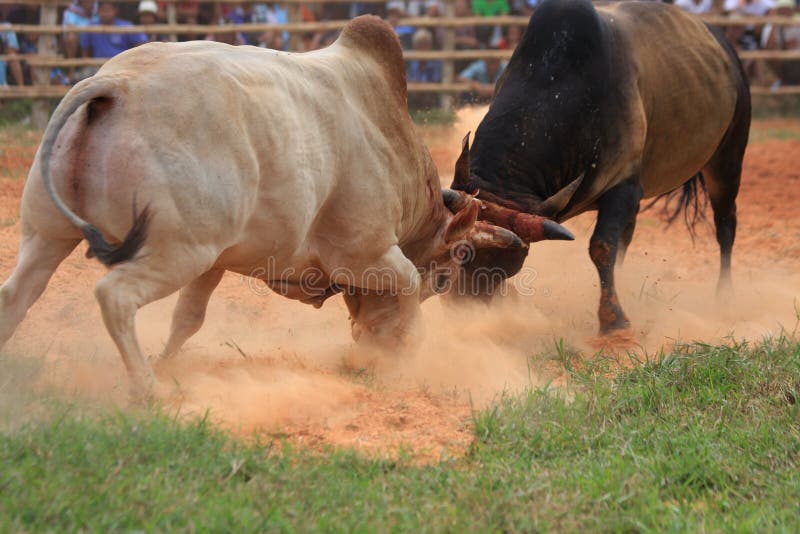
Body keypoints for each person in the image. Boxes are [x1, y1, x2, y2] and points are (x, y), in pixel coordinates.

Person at [80, 1, 148, 58]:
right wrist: (87, 63)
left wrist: (131, 59)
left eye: (108, 11)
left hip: (121, 65)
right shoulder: (91, 26)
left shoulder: (125, 26)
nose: (105, 14)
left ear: (115, 11)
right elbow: (84, 48)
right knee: (85, 71)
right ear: (98, 11)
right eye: (103, 10)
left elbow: (142, 41)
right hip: (97, 67)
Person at [406, 28, 442, 109]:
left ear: (430, 46)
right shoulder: (411, 61)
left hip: (430, 92)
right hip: (414, 92)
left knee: (430, 96)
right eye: (420, 45)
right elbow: (409, 79)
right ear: (415, 47)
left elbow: (436, 80)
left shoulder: (436, 61)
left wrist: (421, 85)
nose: (423, 48)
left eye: (426, 44)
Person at [0, 24, 24, 88]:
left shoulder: (6, 26)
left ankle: (21, 88)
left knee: (12, 56)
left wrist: (4, 51)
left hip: (3, 55)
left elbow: (13, 48)